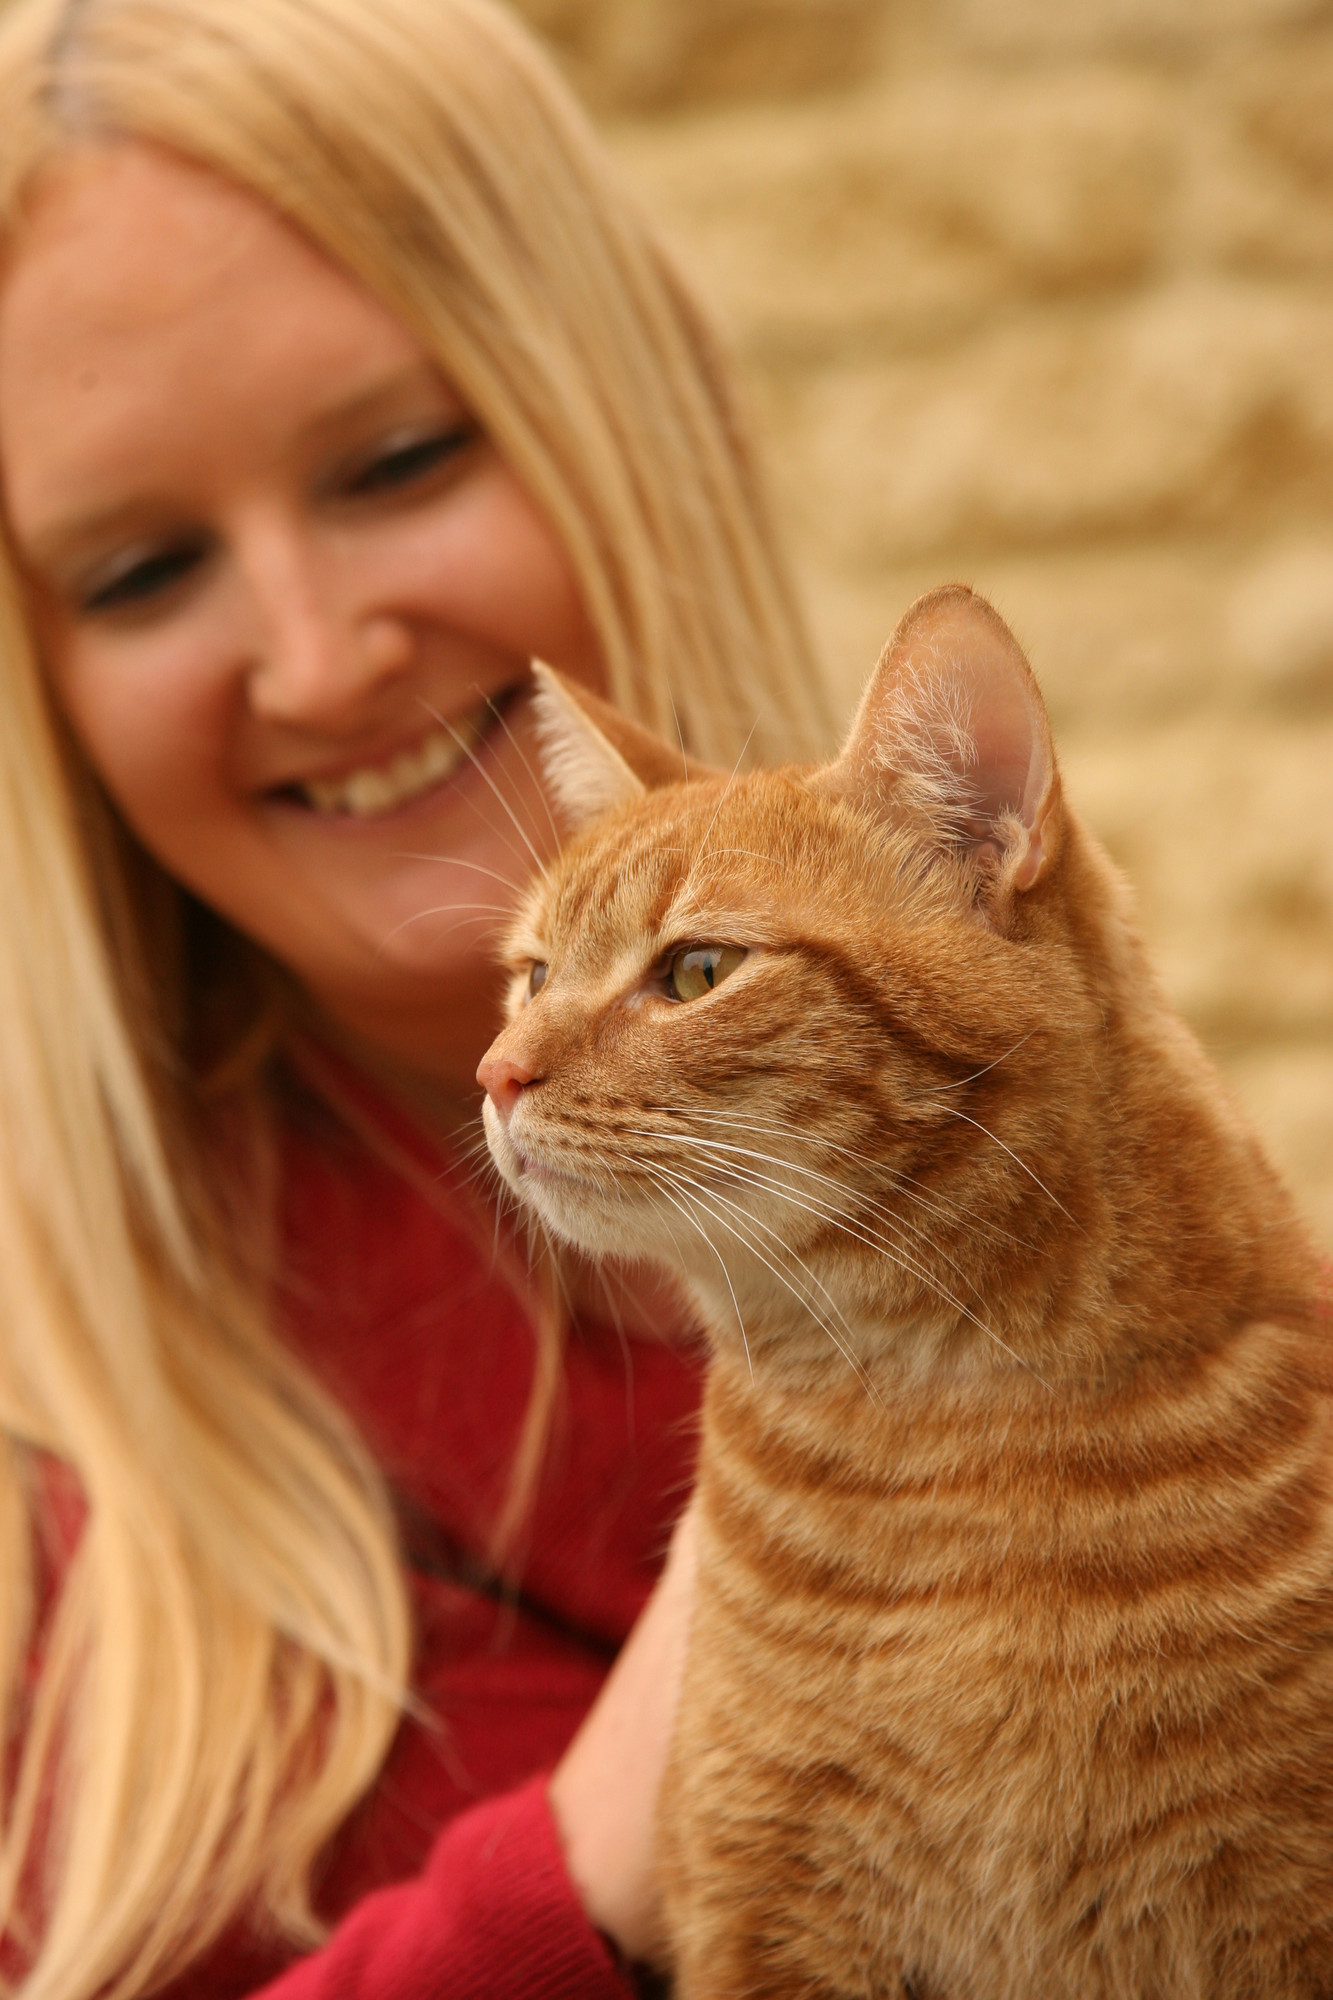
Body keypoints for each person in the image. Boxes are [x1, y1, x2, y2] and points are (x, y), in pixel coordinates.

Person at [0, 0, 835, 1993]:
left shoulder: (1112, 1208)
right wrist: (581, 1872)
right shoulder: (50, 1487)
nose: (313, 656)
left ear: (634, 405)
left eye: (393, 461)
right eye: (137, 575)